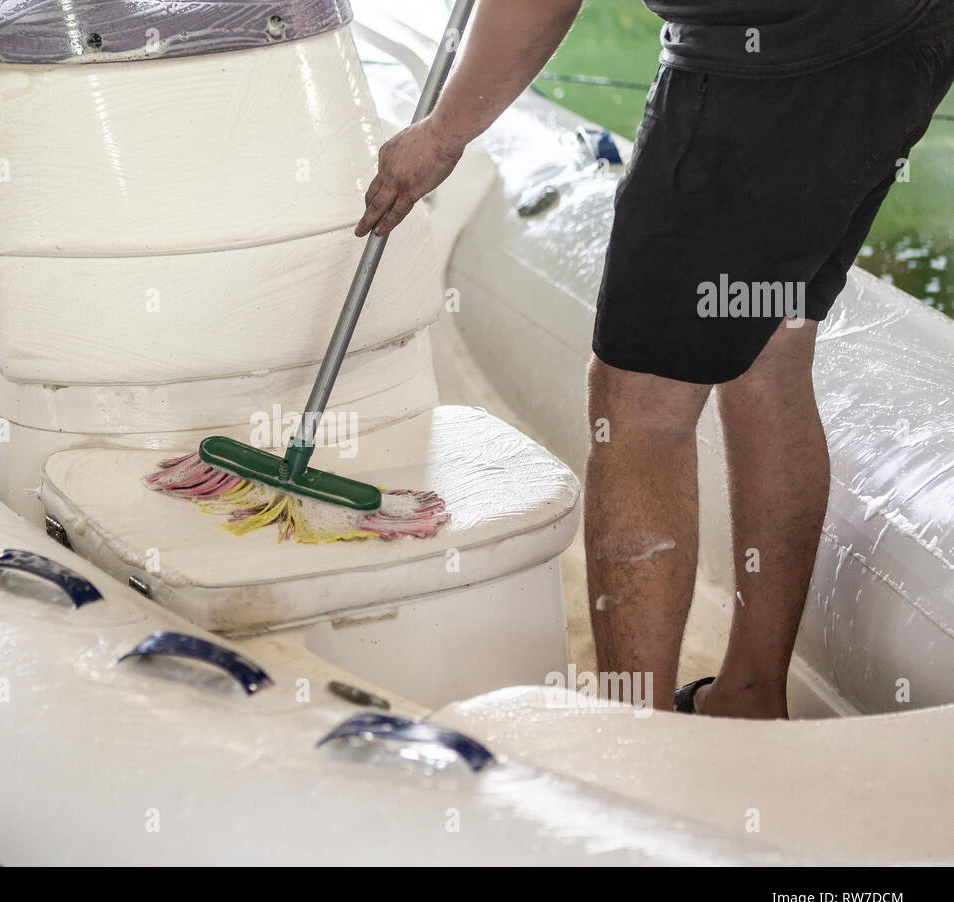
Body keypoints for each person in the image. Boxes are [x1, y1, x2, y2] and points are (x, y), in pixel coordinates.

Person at [357, 0, 954, 717]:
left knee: (639, 399)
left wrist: (444, 133)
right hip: (899, 35)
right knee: (767, 344)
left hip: (766, 62)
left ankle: (638, 731)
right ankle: (749, 698)